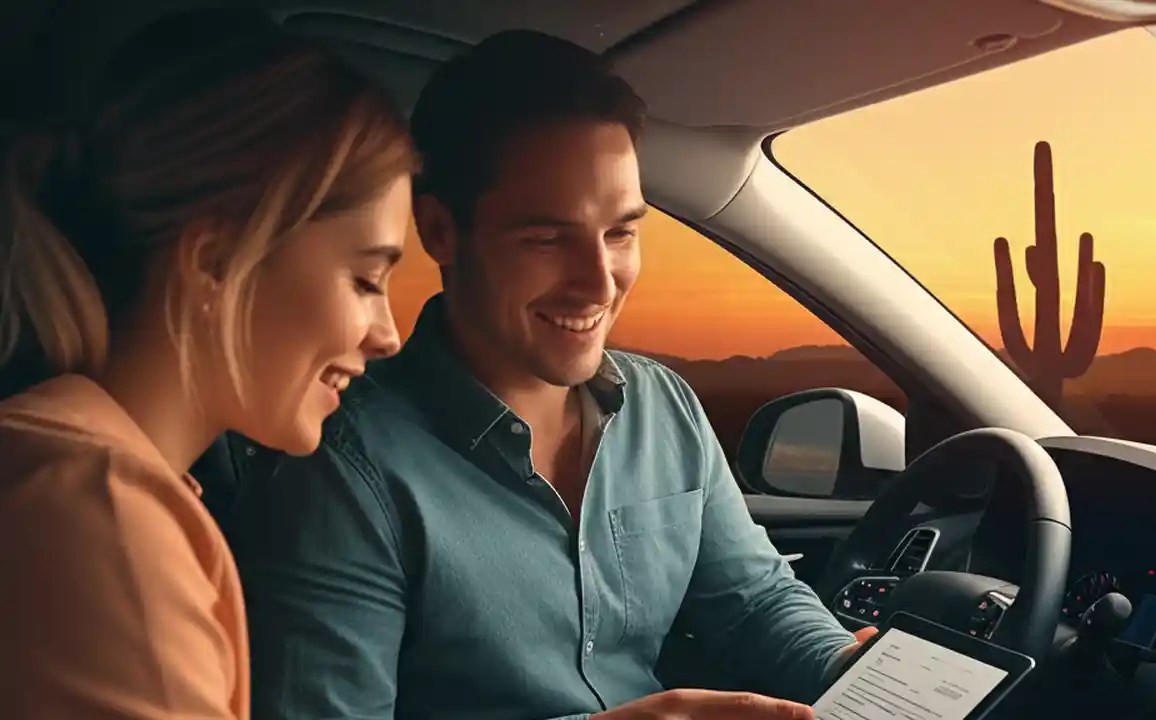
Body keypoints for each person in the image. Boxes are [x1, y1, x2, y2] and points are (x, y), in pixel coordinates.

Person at [230, 30, 869, 720]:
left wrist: (848, 668)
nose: (599, 283)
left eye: (621, 233)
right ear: (440, 231)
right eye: (546, 238)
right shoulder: (342, 475)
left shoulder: (664, 407)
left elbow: (754, 604)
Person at [0, 9, 417, 718]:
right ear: (216, 260)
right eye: (366, 281)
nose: (388, 335)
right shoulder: (100, 508)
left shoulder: (79, 476)